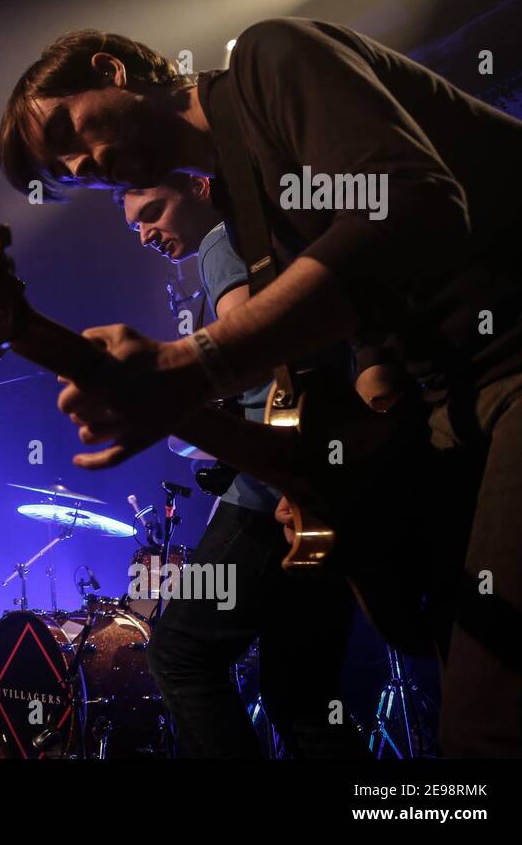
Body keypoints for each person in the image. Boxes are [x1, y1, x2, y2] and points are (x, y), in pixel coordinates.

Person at [0, 17, 522, 756]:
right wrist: (337, 463)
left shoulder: (270, 58)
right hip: (456, 400)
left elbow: (415, 207)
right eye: (70, 173)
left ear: (112, 70)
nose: (85, 162)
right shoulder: (245, 208)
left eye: (67, 127)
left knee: (487, 736)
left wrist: (195, 362)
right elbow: (367, 336)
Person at [121, 174, 365, 757]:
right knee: (303, 697)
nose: (146, 235)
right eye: (134, 226)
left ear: (202, 187)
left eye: (152, 211)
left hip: (265, 494)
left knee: (178, 655)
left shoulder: (221, 241)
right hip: (321, 481)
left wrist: (164, 378)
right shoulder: (281, 232)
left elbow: (245, 351)